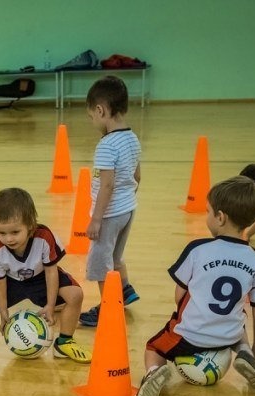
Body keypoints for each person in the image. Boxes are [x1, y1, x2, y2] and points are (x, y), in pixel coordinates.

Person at [136, 177, 255, 396]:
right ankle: (246, 354)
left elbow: (179, 295)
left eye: (208, 212)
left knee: (153, 347)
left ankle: (153, 373)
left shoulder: (198, 249)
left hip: (191, 334)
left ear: (220, 217)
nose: (207, 217)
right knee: (239, 318)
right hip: (230, 334)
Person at [0, 187, 91, 364]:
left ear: (31, 226)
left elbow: (51, 272)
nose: (8, 239)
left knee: (75, 295)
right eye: (1, 233)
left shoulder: (45, 237)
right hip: (10, 280)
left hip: (41, 277)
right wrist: (3, 312)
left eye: (15, 232)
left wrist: (50, 305)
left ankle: (64, 342)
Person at [79, 75, 140, 328]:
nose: (91, 120)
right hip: (127, 209)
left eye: (91, 115)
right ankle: (125, 291)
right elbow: (137, 175)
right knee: (116, 256)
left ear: (101, 110)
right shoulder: (131, 138)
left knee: (100, 262)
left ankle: (108, 309)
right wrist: (127, 200)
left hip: (109, 214)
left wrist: (96, 219)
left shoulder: (106, 145)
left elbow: (107, 184)